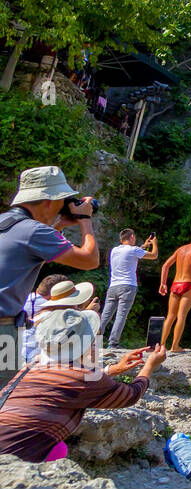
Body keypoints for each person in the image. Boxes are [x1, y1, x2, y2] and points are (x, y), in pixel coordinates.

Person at [0, 307, 165, 462]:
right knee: (58, 449)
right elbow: (132, 394)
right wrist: (149, 366)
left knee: (59, 448)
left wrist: (114, 369)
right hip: (12, 457)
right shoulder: (83, 377)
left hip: (6, 439)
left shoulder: (31, 368)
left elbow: (66, 381)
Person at [0, 166, 100, 387]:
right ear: (48, 201)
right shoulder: (34, 231)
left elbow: (27, 256)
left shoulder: (7, 224)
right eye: (61, 200)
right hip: (3, 331)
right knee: (6, 403)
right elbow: (90, 259)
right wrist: (84, 219)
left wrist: (60, 225)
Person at [101, 228, 158, 348]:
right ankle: (113, 343)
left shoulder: (115, 250)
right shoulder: (133, 250)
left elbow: (131, 253)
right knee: (121, 315)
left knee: (106, 315)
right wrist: (154, 244)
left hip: (113, 286)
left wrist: (144, 246)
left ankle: (90, 340)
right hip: (127, 286)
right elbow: (154, 255)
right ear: (132, 237)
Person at [158, 231, 191, 352]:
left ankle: (161, 345)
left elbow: (165, 266)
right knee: (181, 316)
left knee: (170, 315)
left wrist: (163, 283)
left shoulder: (180, 249)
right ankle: (174, 346)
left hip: (175, 284)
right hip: (188, 284)